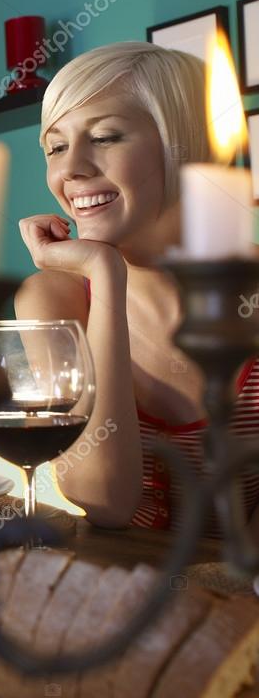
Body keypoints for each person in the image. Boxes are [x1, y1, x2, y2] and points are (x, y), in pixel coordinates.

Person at [16, 41, 259, 535]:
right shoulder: (53, 299)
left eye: (104, 136)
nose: (70, 169)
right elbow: (105, 499)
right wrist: (104, 276)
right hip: (115, 591)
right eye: (56, 147)